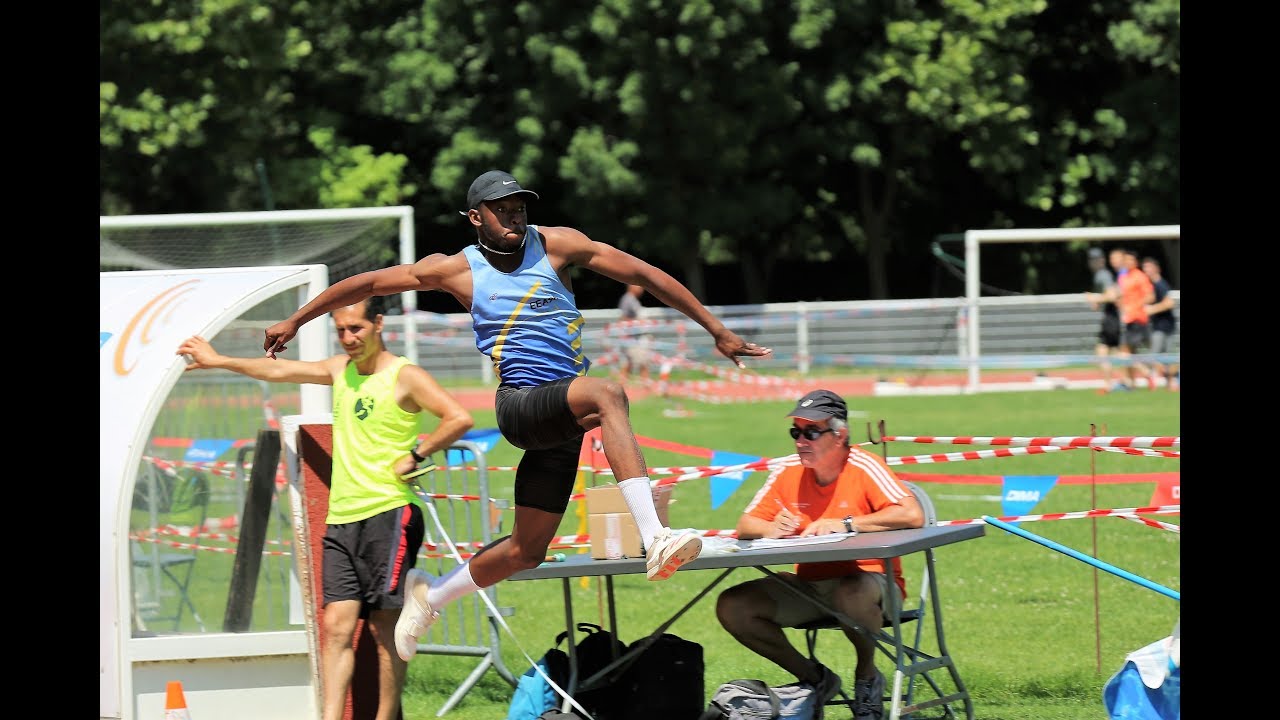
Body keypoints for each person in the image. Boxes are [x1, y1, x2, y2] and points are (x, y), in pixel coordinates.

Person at [261, 169, 774, 663]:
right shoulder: (454, 269)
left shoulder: (558, 245)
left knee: (526, 549)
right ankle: (656, 537)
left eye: (519, 207)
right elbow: (366, 283)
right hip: (523, 406)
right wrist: (295, 319)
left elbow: (644, 273)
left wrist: (716, 329)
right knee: (607, 394)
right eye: (500, 210)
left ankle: (431, 597)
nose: (513, 217)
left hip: (564, 416)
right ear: (474, 218)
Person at [176, 297, 475, 720]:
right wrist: (218, 359)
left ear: (378, 323)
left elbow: (457, 417)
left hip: (389, 513)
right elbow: (280, 370)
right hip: (342, 517)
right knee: (336, 626)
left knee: (382, 627)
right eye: (341, 331)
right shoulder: (340, 370)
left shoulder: (405, 375)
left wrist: (417, 454)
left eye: (357, 329)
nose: (349, 338)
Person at [714, 389, 925, 720]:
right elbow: (745, 524)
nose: (801, 441)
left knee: (850, 592)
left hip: (874, 585)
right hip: (811, 587)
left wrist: (846, 523)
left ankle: (867, 677)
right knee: (733, 606)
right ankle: (816, 679)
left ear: (839, 434)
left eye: (811, 432)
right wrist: (770, 529)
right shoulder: (787, 470)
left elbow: (912, 514)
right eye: (795, 432)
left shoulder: (864, 465)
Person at [1111, 248, 1155, 391]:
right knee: (1131, 353)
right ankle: (1131, 384)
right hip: (1128, 319)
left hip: (1137, 319)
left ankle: (1148, 374)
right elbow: (1122, 296)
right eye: (1126, 260)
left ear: (1135, 262)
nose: (1127, 262)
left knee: (1124, 352)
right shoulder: (1124, 277)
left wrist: (1135, 307)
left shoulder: (1140, 276)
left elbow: (1150, 296)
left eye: (1130, 260)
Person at [1083, 247, 1121, 391]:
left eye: (1096, 259)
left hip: (1111, 318)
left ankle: (1111, 384)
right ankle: (1114, 383)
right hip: (1111, 318)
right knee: (1113, 353)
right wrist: (1097, 301)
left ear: (1102, 261)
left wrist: (1094, 298)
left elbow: (1111, 296)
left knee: (1107, 353)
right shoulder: (1101, 274)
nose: (1093, 263)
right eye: (1091, 260)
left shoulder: (1102, 275)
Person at [1141, 256, 1178, 390]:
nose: (1146, 270)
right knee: (1163, 357)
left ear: (1157, 268)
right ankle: (1169, 382)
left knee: (1156, 356)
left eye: (1149, 267)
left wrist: (1151, 309)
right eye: (1144, 267)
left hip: (1164, 327)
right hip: (1160, 326)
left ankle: (1158, 380)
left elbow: (1169, 303)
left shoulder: (1160, 284)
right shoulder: (1152, 286)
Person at [616, 283, 653, 383]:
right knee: (642, 362)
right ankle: (646, 385)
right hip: (632, 339)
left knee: (628, 363)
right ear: (631, 286)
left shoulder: (632, 300)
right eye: (639, 287)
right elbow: (623, 318)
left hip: (634, 338)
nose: (642, 290)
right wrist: (638, 322)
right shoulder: (628, 299)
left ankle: (623, 385)